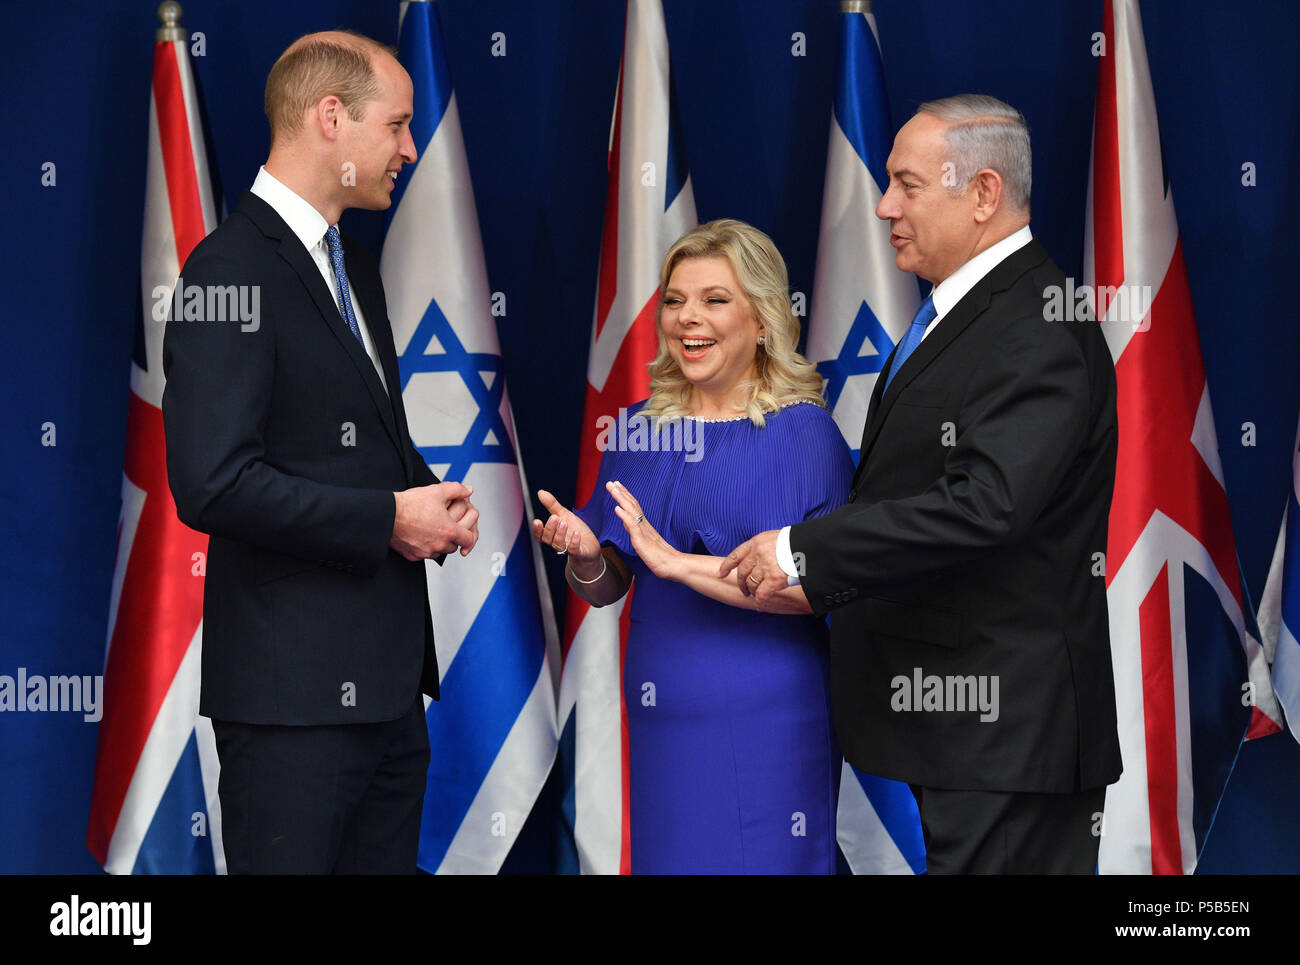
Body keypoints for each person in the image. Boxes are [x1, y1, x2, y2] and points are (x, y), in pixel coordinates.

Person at [722, 95, 1123, 874]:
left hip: (1006, 737)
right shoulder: (966, 314)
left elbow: (986, 505)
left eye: (907, 185)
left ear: (982, 193)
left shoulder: (1038, 324)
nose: (884, 206)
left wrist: (805, 551)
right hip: (960, 734)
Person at [162, 30, 479, 874]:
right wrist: (386, 519)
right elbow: (213, 483)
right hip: (291, 708)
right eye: (399, 125)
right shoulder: (225, 270)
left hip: (387, 696)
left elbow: (349, 438)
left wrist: (423, 495)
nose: (411, 148)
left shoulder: (356, 267)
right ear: (330, 117)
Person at [533, 219, 854, 874]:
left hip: (772, 713)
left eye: (714, 299)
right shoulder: (637, 430)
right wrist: (588, 555)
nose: (687, 318)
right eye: (675, 299)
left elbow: (820, 589)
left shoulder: (806, 435)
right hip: (664, 711)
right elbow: (609, 584)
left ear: (762, 319)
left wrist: (675, 562)